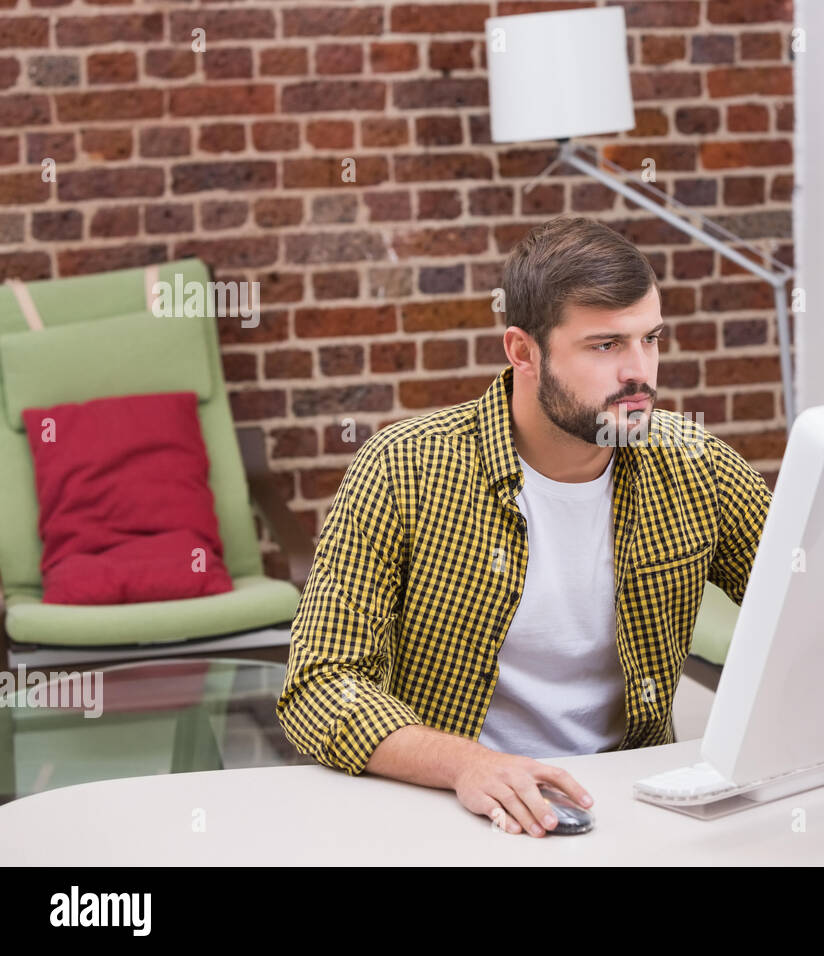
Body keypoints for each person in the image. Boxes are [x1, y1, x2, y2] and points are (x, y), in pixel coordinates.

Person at [276, 216, 773, 837]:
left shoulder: (697, 468)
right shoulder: (404, 468)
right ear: (522, 351)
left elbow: (808, 607)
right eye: (605, 346)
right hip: (450, 810)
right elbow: (319, 684)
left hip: (627, 812)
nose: (639, 373)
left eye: (651, 339)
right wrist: (465, 764)